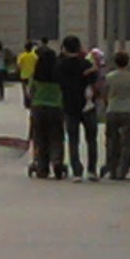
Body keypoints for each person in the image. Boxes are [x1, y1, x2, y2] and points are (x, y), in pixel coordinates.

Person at [55, 35, 99, 180]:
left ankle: (77, 171)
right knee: (91, 139)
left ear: (64, 48)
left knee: (73, 139)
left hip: (69, 105)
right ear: (79, 47)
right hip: (87, 105)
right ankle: (92, 170)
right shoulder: (86, 64)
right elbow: (94, 80)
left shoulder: (60, 65)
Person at [27, 41, 64, 179]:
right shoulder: (59, 76)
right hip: (55, 108)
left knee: (40, 138)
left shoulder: (36, 76)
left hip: (38, 108)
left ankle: (42, 167)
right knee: (56, 137)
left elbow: (30, 93)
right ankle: (57, 160)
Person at [100, 51, 130, 180]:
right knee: (126, 143)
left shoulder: (109, 76)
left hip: (112, 109)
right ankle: (121, 170)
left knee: (112, 140)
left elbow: (104, 92)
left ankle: (112, 168)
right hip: (127, 110)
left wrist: (107, 103)